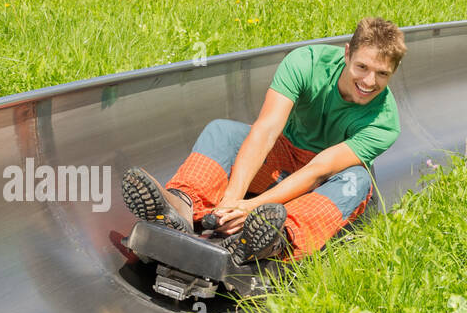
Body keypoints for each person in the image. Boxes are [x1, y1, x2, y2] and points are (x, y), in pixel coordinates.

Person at [123, 16, 405, 266]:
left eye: (382, 74)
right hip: (283, 159)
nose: (369, 81)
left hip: (326, 183)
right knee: (223, 130)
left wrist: (249, 209)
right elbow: (266, 130)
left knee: (358, 180)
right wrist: (232, 200)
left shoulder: (384, 121)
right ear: (347, 54)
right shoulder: (306, 63)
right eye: (362, 67)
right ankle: (182, 206)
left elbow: (318, 170)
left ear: (393, 72)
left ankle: (275, 238)